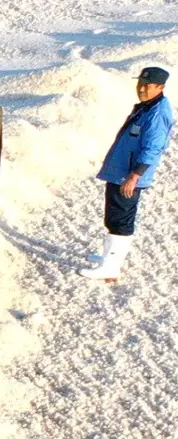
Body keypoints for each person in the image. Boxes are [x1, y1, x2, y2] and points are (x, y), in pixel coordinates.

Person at [82, 65, 172, 282]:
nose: (141, 88)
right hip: (121, 171)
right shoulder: (147, 106)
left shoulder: (157, 114)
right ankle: (107, 258)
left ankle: (110, 268)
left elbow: (153, 147)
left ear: (160, 87)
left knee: (121, 218)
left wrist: (134, 176)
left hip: (128, 175)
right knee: (114, 216)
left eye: (147, 85)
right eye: (140, 83)